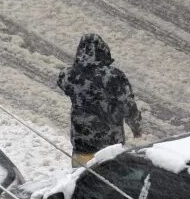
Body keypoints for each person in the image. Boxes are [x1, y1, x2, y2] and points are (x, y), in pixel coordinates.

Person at [56, 34, 143, 166]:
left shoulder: (69, 75)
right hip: (110, 145)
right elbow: (128, 106)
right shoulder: (114, 76)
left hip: (82, 145)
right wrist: (136, 128)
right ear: (103, 50)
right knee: (109, 177)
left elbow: (63, 84)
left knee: (83, 176)